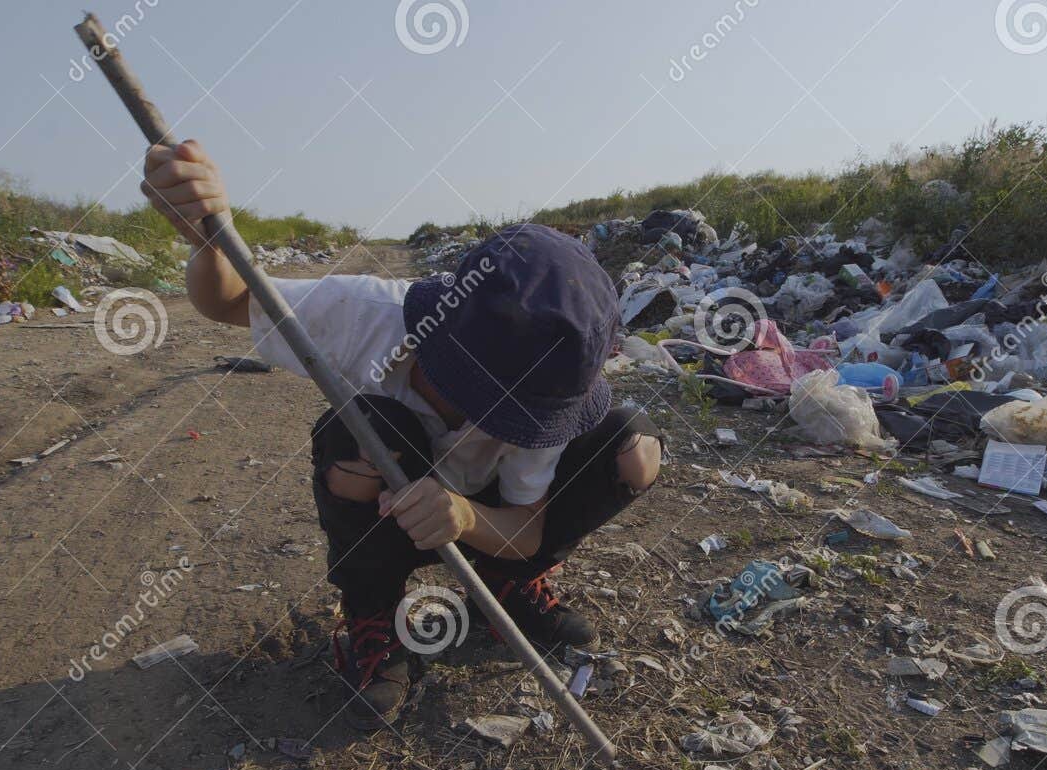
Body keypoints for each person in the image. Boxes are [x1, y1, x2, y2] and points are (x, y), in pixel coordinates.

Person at [141, 141, 663, 729]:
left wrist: (465, 518)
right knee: (362, 434)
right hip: (391, 506)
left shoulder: (548, 384)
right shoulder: (364, 316)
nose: (511, 426)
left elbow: (528, 526)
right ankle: (373, 612)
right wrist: (209, 236)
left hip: (486, 522)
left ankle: (504, 590)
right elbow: (231, 300)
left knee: (634, 449)